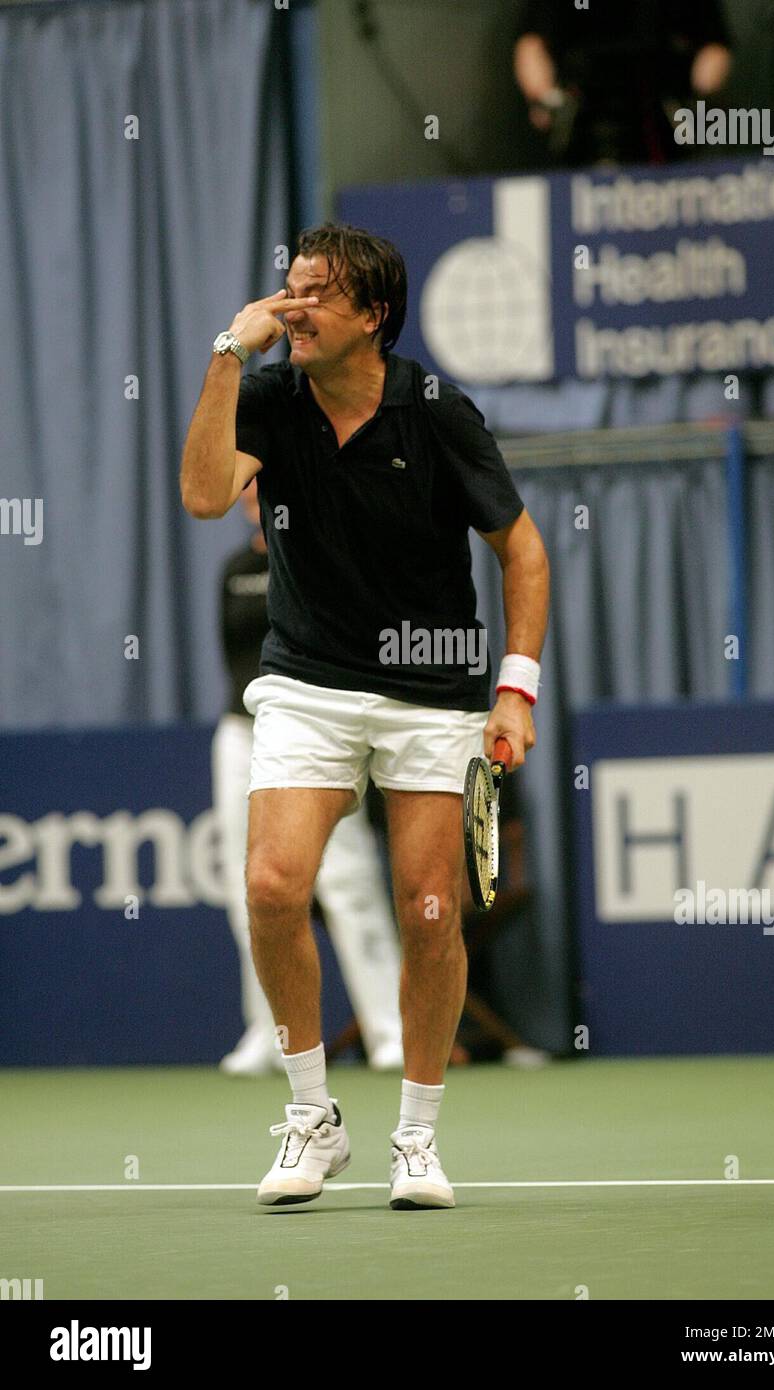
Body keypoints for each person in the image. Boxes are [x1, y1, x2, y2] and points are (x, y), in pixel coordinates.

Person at [180, 221, 549, 1210]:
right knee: (269, 886)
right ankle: (311, 1116)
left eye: (315, 294)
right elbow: (206, 494)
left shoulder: (437, 411)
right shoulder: (265, 396)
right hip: (306, 679)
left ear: (372, 314)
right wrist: (228, 349)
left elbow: (522, 551)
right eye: (287, 288)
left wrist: (515, 687)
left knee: (429, 911)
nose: (292, 306)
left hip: (431, 688)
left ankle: (416, 1138)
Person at [212, 477, 404, 1077]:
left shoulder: (322, 557)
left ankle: (389, 1028)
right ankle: (267, 1032)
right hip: (242, 733)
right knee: (249, 886)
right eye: (245, 489)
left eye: (262, 486)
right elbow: (234, 654)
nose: (252, 496)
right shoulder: (235, 569)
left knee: (347, 880)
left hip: (313, 735)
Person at [514, 0, 732, 166]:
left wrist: (702, 100)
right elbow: (532, 45)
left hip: (660, 116)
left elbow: (713, 47)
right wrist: (544, 98)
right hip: (583, 118)